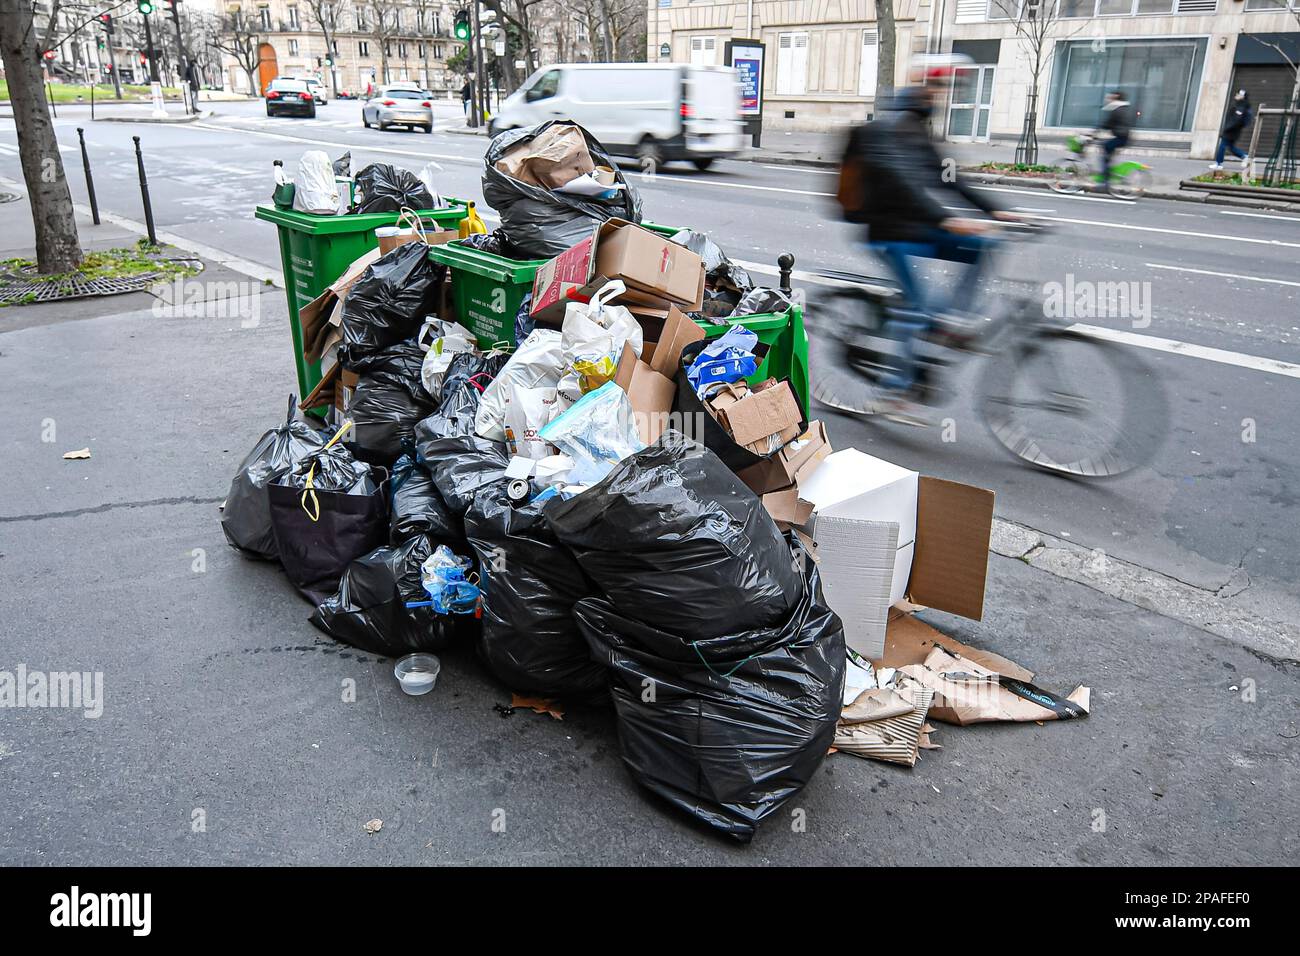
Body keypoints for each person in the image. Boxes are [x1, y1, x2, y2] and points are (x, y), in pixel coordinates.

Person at [844, 71, 1017, 421]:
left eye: (944, 89)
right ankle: (891, 392)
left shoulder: (919, 133)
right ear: (919, 89)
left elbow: (950, 180)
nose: (941, 95)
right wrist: (945, 220)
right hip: (888, 233)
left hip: (919, 228)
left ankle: (948, 323)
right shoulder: (888, 131)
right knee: (917, 306)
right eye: (935, 87)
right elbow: (901, 183)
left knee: (981, 245)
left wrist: (997, 210)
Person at [1096, 90, 1133, 193]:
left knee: (1104, 149)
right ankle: (1109, 173)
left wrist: (1094, 133)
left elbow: (1107, 124)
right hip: (1124, 137)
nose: (1108, 100)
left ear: (1116, 97)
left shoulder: (1117, 109)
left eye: (1110, 97)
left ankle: (1105, 182)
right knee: (1107, 153)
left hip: (1121, 137)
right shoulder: (1124, 108)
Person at [1211, 90, 1253, 171]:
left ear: (1242, 97)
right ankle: (1245, 157)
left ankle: (1218, 163)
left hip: (1231, 130)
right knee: (1231, 148)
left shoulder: (1241, 106)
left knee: (1222, 146)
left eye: (1238, 94)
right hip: (1233, 130)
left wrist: (1228, 128)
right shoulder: (1240, 104)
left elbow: (1237, 119)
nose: (1236, 95)